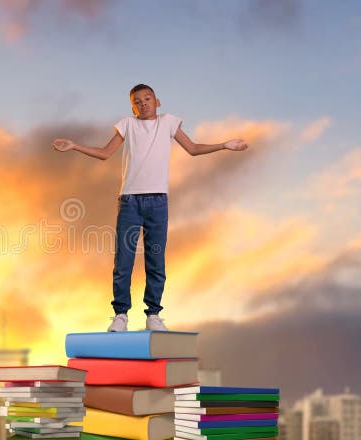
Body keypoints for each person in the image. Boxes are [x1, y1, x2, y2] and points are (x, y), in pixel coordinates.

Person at [51, 84, 249, 332]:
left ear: (158, 101)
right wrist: (74, 146)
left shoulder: (167, 122)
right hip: (129, 202)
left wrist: (224, 145)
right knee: (123, 260)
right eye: (137, 101)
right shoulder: (128, 124)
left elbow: (193, 148)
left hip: (157, 203)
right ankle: (120, 315)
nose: (143, 103)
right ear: (132, 106)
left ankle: (153, 314)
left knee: (156, 260)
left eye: (148, 98)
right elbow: (104, 153)